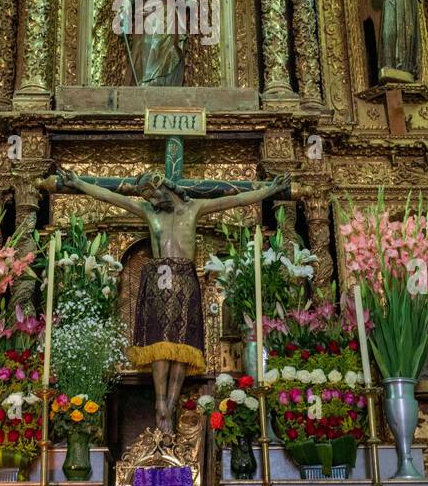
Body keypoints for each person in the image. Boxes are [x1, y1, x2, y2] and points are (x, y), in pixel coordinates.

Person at [52, 168, 290, 432]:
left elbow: (233, 200)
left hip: (186, 283)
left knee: (182, 348)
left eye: (151, 194)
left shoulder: (194, 208)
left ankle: (172, 403)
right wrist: (80, 183)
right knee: (160, 345)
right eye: (145, 197)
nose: (150, 201)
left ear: (161, 185)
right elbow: (112, 198)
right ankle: (160, 403)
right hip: (157, 284)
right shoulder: (149, 212)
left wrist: (269, 191)